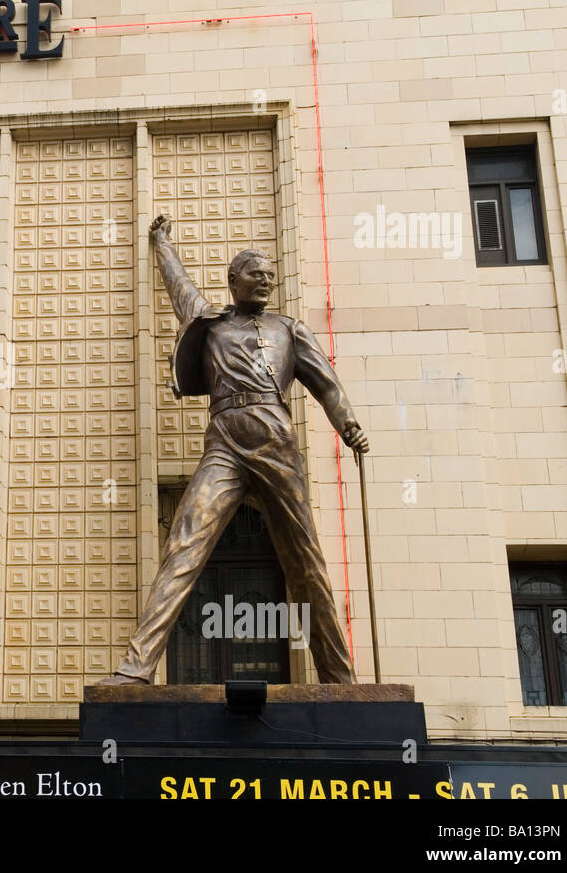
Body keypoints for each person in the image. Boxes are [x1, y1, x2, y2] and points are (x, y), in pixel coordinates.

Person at [97, 214, 369, 686]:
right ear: (233, 281)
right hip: (223, 440)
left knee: (304, 558)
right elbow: (177, 282)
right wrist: (160, 242)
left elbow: (327, 384)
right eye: (255, 274)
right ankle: (135, 669)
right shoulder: (209, 320)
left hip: (276, 438)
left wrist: (348, 425)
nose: (264, 282)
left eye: (269, 276)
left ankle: (339, 680)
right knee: (184, 540)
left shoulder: (289, 329)